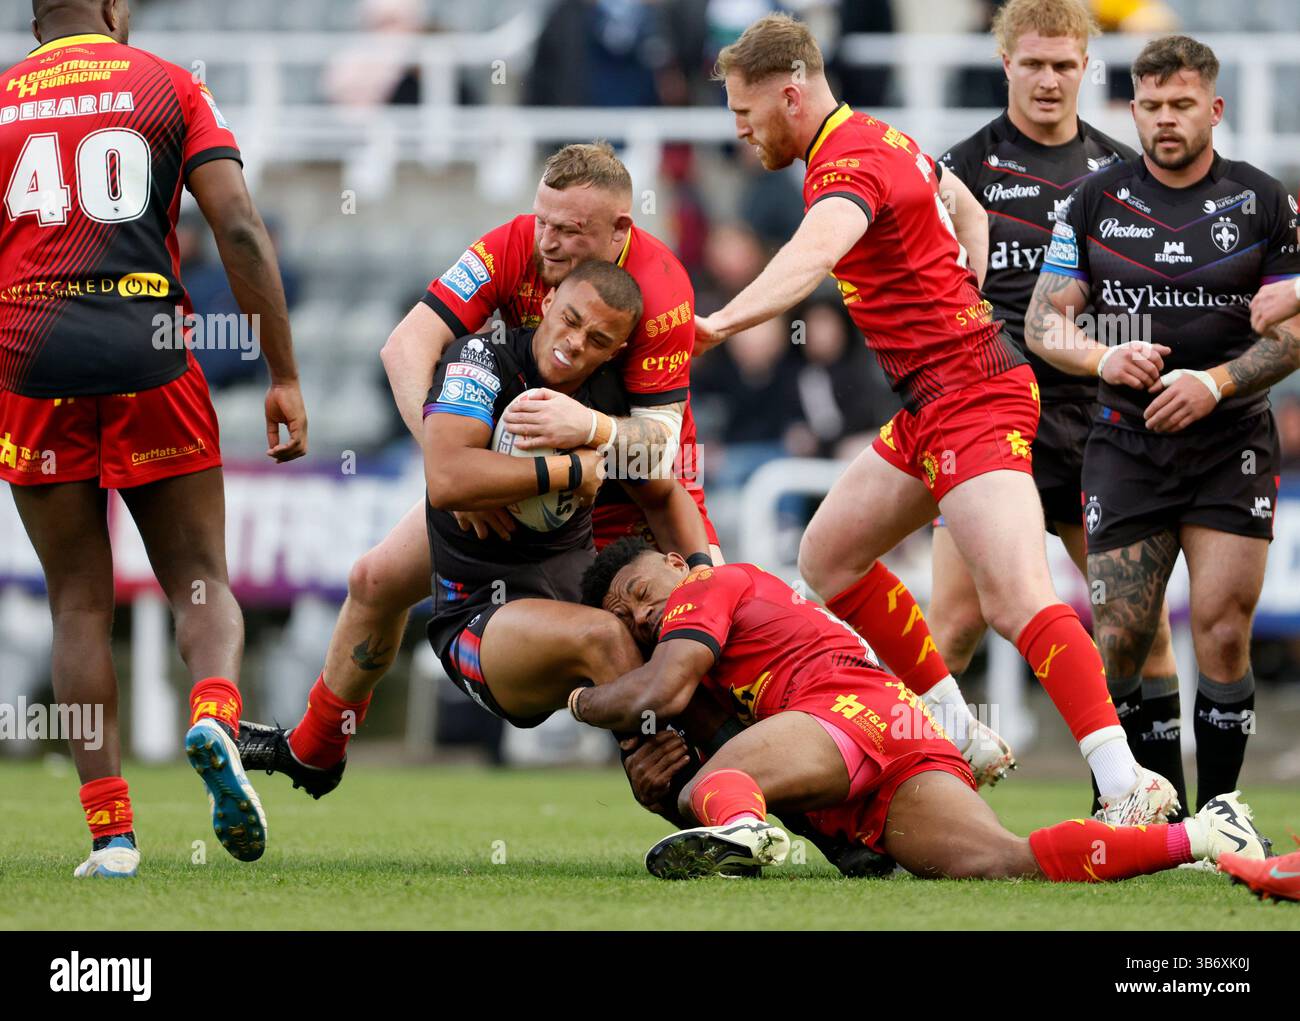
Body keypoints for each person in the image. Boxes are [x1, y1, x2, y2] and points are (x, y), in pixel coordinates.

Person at [692, 13, 1175, 823]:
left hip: (969, 394)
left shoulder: (843, 167)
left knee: (1017, 599)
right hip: (936, 398)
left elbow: (814, 253)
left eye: (745, 113)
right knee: (830, 555)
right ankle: (962, 730)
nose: (740, 131)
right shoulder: (888, 138)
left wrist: (718, 323)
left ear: (790, 93)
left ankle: (1127, 779)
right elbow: (969, 210)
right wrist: (965, 297)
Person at [236, 142, 719, 796]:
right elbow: (406, 346)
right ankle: (317, 750)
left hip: (627, 491)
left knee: (689, 644)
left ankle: (739, 787)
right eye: (542, 219)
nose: (546, 242)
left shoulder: (661, 290)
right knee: (374, 577)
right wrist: (453, 460)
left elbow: (656, 454)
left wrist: (585, 447)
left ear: (618, 232)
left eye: (570, 232)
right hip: (518, 474)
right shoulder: (511, 245)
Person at [0, 0, 308, 877]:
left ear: (35, 24)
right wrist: (281, 373)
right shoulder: (169, 86)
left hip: (32, 363)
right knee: (201, 581)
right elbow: (239, 228)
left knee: (76, 604)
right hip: (152, 356)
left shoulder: (3, 99)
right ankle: (213, 711)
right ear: (111, 8)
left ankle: (112, 837)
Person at [569, 540, 1266, 880]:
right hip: (899, 731)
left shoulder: (704, 584)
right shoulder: (726, 634)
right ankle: (1204, 835)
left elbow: (660, 691)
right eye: (627, 616)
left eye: (638, 588)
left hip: (844, 711)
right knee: (1005, 863)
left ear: (671, 559)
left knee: (711, 788)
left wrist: (579, 699)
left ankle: (747, 832)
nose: (642, 610)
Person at [1025, 35, 1300, 812]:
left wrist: (1214, 384)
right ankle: (1141, 808)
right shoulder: (1093, 200)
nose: (1165, 121)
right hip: (1123, 442)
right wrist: (1101, 362)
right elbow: (1047, 325)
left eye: (1182, 106)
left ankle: (1222, 814)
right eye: (1151, 107)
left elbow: (1294, 331)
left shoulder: (1262, 200)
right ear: (1133, 108)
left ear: (1214, 108)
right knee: (1119, 635)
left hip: (1231, 440)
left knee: (1219, 630)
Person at [929, 0, 1187, 815]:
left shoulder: (1125, 172)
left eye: (1063, 64)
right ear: (1005, 62)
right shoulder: (957, 169)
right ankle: (905, 800)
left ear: (1087, 68)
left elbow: (1154, 304)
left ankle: (1154, 809)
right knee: (946, 634)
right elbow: (926, 301)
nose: (1047, 79)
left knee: (1140, 629)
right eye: (1032, 63)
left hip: (1094, 429)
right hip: (984, 421)